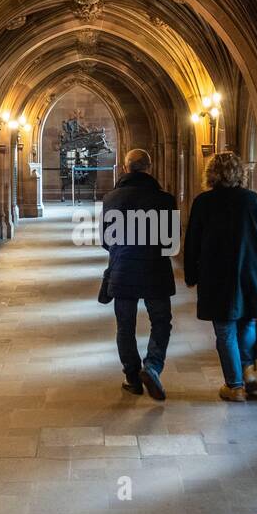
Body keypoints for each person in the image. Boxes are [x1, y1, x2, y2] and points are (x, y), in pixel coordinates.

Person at [183, 150, 257, 402]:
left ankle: (235, 385)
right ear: (241, 172)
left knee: (224, 329)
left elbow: (192, 241)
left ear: (211, 174)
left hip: (217, 276)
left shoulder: (203, 202)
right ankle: (247, 372)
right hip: (252, 275)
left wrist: (191, 274)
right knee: (247, 323)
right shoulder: (256, 202)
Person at [100, 149, 176, 400]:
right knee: (161, 322)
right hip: (156, 271)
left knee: (125, 326)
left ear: (125, 167)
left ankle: (132, 378)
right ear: (149, 167)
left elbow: (105, 240)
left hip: (122, 269)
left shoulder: (111, 199)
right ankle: (152, 367)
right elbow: (171, 244)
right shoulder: (165, 200)